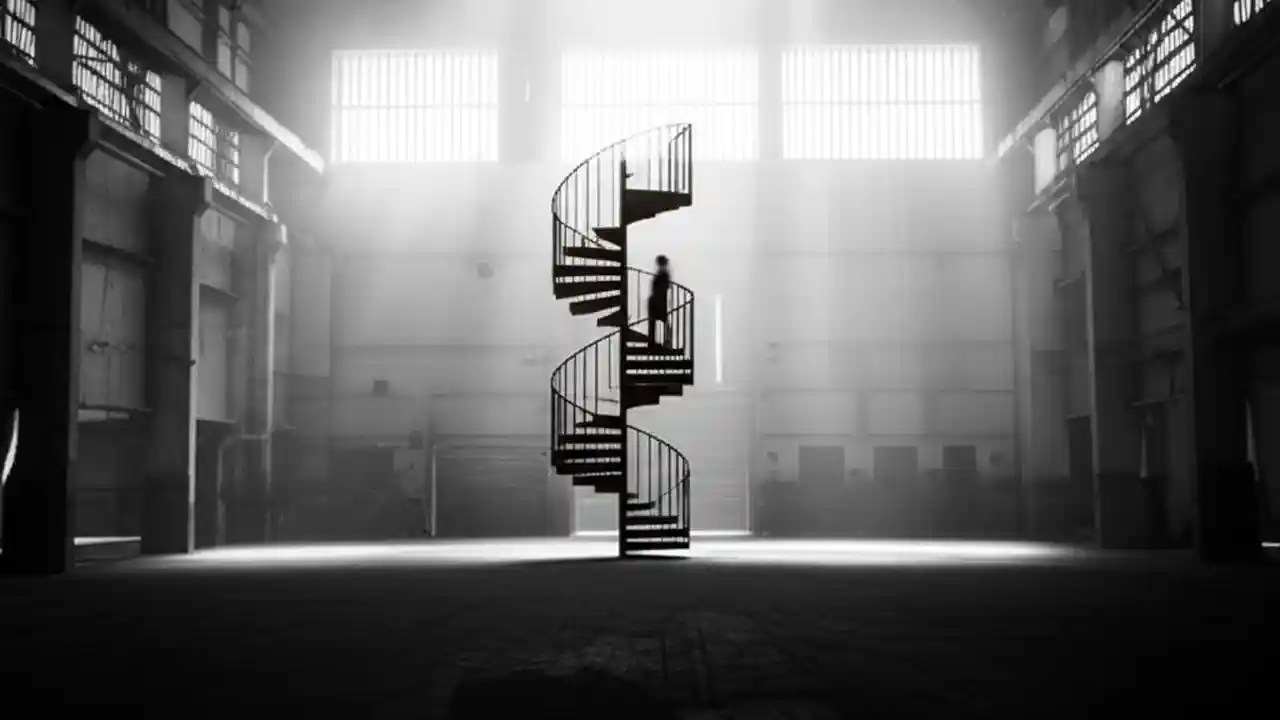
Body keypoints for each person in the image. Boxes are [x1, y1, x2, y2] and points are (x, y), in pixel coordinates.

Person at [647, 255, 671, 348]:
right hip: (658, 301)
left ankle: (655, 343)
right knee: (661, 322)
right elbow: (664, 287)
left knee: (660, 322)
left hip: (658, 300)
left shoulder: (662, 274)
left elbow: (661, 287)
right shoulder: (663, 274)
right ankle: (656, 343)